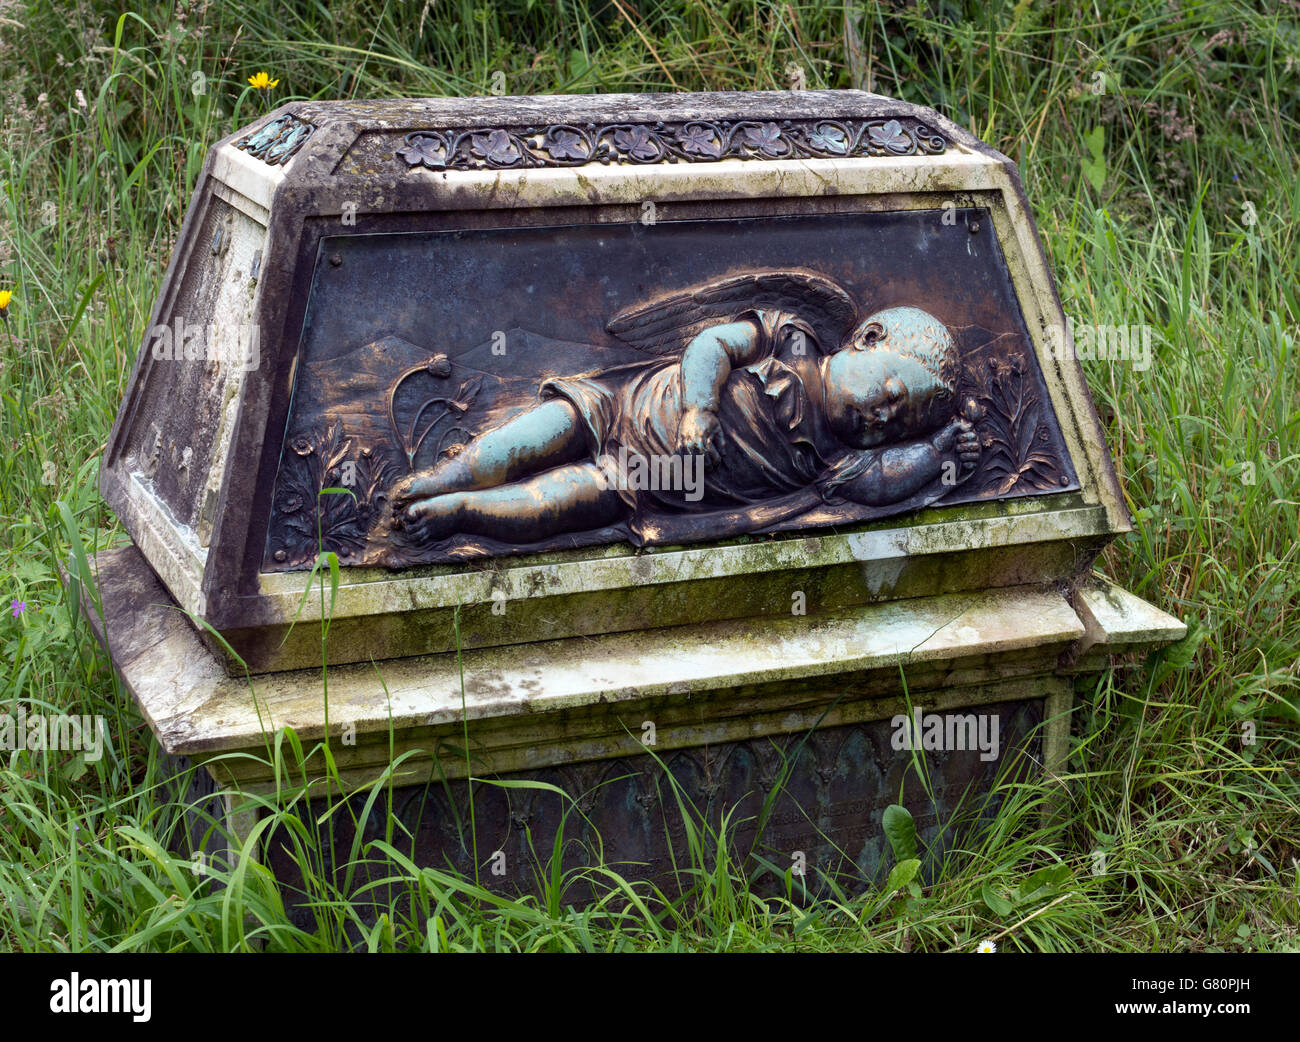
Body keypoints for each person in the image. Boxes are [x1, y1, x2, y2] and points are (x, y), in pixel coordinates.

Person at [386, 304, 980, 547]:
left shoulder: (830, 459)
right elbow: (710, 345)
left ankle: (463, 511)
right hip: (627, 407)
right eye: (891, 395)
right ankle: (447, 476)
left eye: (895, 425)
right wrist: (699, 408)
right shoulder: (788, 338)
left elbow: (875, 488)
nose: (881, 417)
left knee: (565, 499)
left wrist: (935, 452)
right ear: (867, 339)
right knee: (534, 434)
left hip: (651, 478)